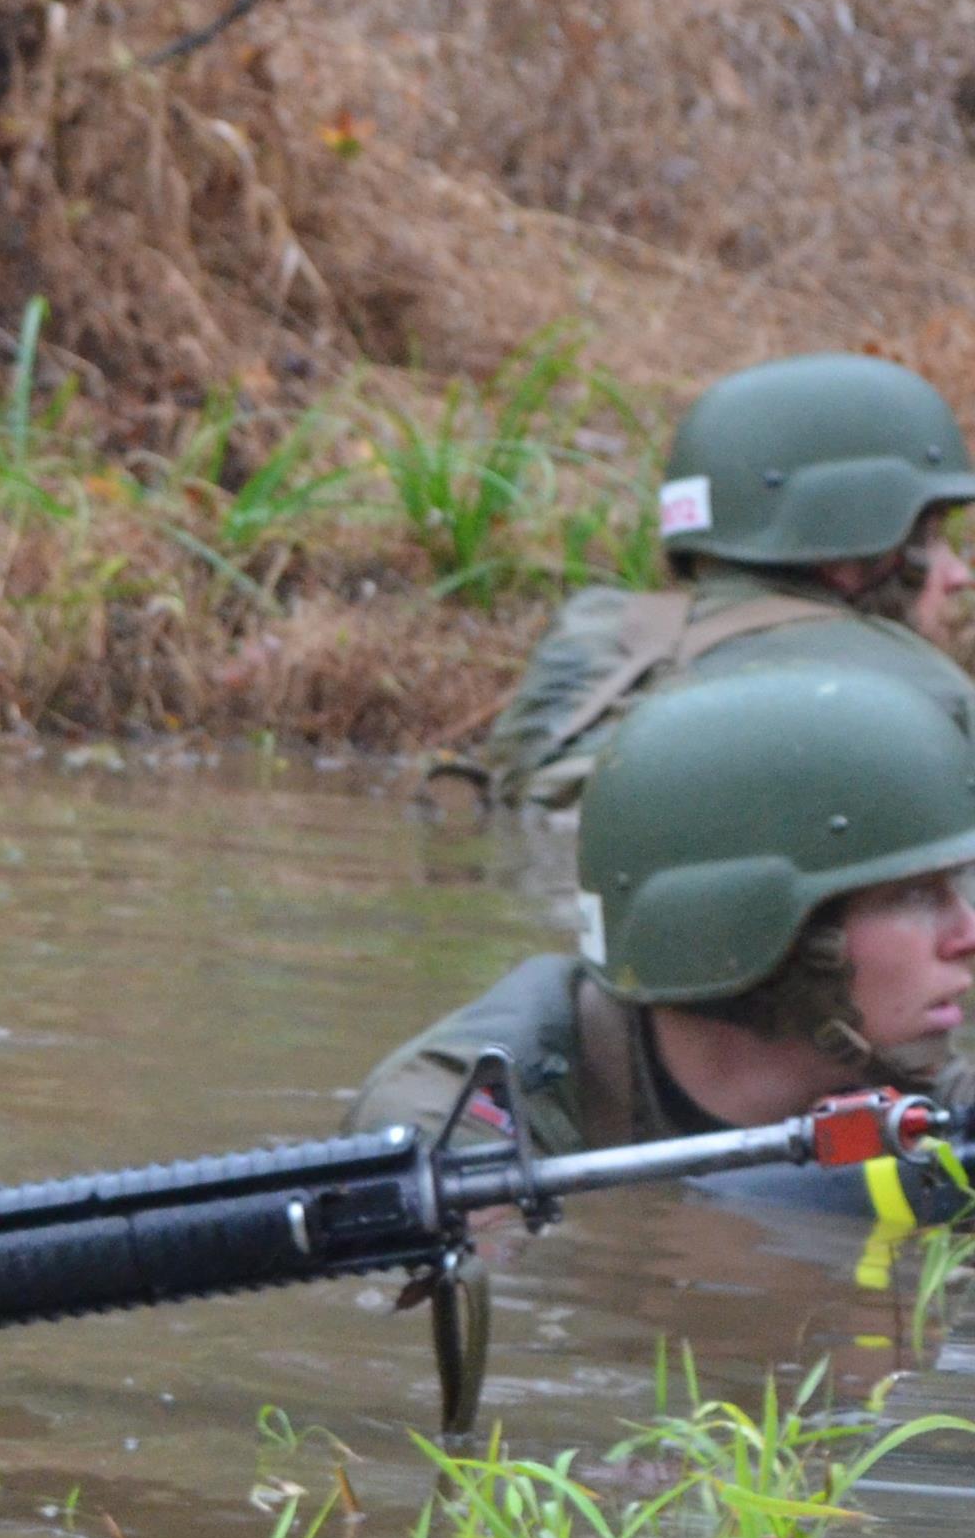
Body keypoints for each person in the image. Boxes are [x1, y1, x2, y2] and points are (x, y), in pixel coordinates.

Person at [357, 663, 975, 1196]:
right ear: (741, 925)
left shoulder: (922, 1091)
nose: (967, 935)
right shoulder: (456, 1131)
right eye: (914, 895)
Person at [460, 353, 975, 810]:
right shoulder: (923, 695)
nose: (960, 575)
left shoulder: (595, 636)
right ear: (849, 550)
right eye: (930, 538)